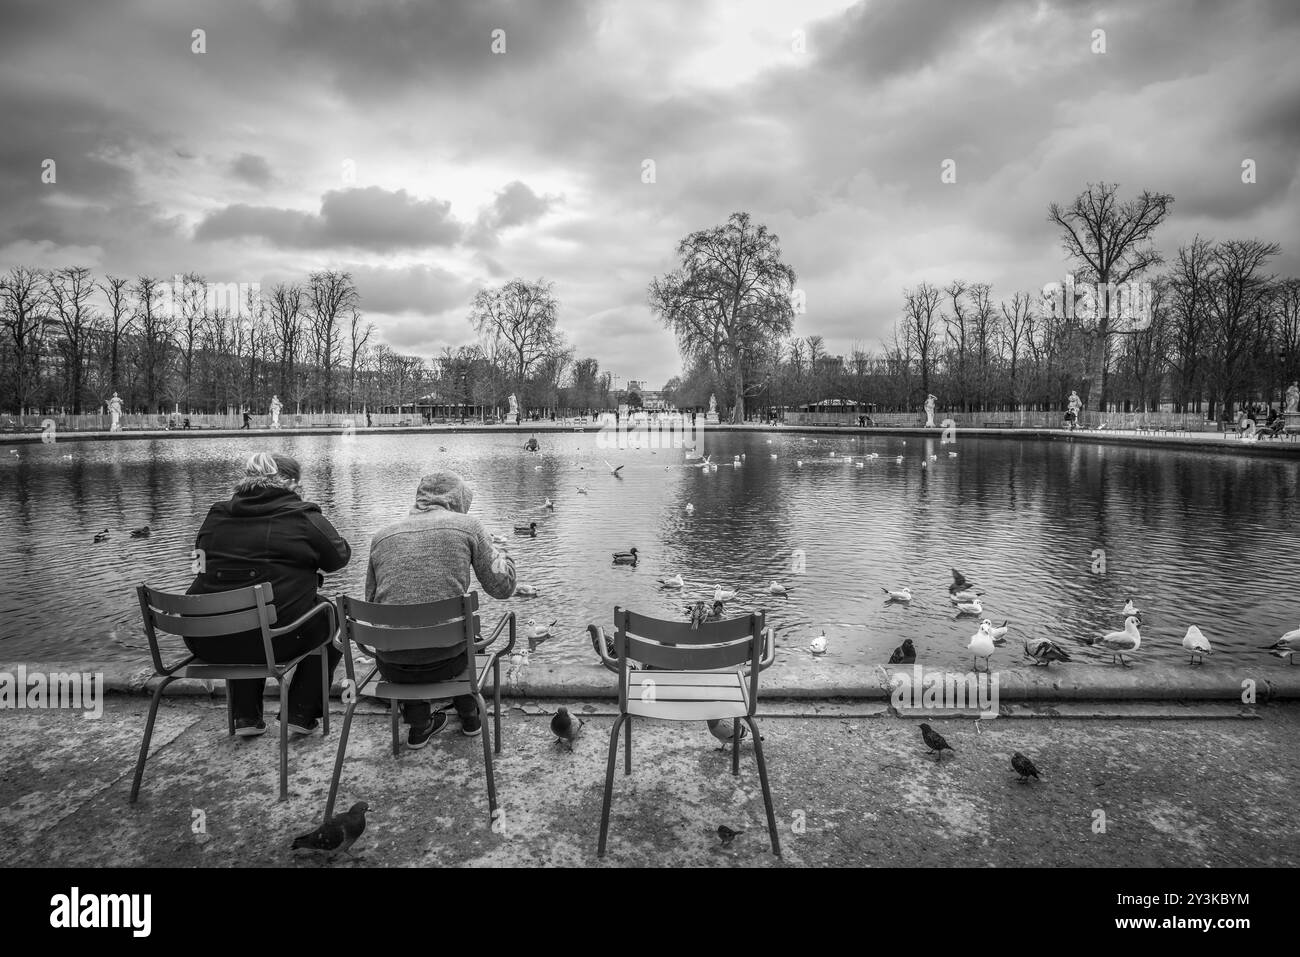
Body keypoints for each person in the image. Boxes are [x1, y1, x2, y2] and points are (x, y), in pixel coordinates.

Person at [186, 453, 351, 736]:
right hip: (274, 641)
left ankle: (245, 716)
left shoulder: (216, 514)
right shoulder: (301, 515)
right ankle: (301, 711)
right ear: (293, 482)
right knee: (333, 616)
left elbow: (200, 563)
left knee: (241, 611)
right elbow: (338, 557)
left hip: (206, 640)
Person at [365, 471, 517, 747]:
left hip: (392, 666)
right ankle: (471, 715)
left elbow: (373, 602)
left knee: (411, 635)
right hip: (450, 661)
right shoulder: (468, 527)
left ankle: (419, 724)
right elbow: (502, 588)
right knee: (464, 635)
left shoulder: (382, 537)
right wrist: (503, 555)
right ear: (459, 499)